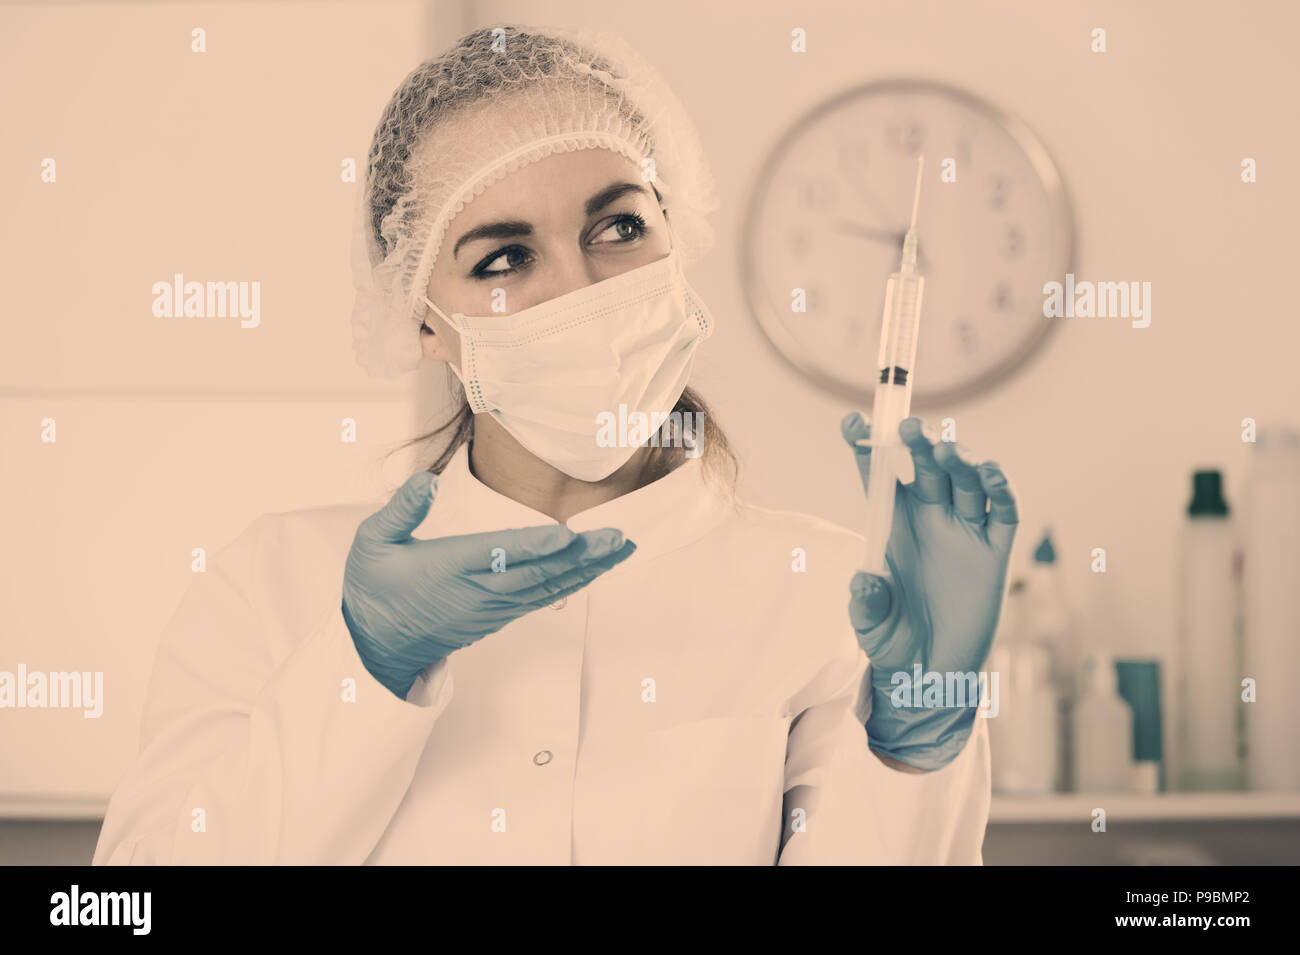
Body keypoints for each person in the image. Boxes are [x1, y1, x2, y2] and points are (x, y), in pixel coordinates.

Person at [93, 23, 1018, 865]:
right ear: (419, 318)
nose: (578, 287)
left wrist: (916, 728)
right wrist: (360, 667)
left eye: (618, 226)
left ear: (676, 234)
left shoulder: (835, 599)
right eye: (504, 258)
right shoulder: (278, 582)